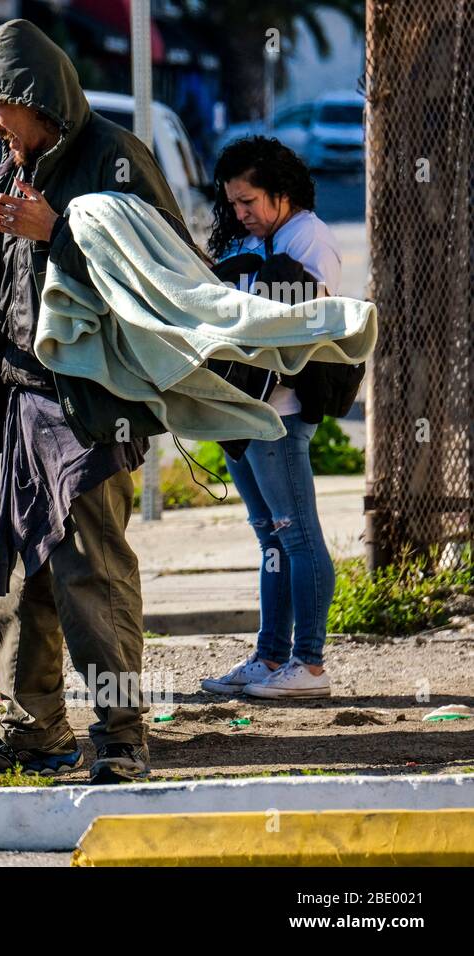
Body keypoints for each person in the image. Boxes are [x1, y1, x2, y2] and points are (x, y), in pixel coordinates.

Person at [0, 20, 189, 784]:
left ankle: (121, 737)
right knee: (17, 580)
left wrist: (59, 227)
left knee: (89, 577)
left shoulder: (115, 161)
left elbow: (158, 280)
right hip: (25, 406)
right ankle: (34, 733)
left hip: (92, 409)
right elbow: (24, 295)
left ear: (39, 99)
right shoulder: (14, 167)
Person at [200, 136, 344, 700]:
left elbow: (306, 332)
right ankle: (270, 657)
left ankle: (308, 666)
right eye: (233, 203)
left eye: (250, 202)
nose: (240, 214)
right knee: (272, 540)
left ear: (281, 195)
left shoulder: (308, 239)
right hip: (247, 415)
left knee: (297, 536)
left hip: (277, 417)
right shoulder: (267, 237)